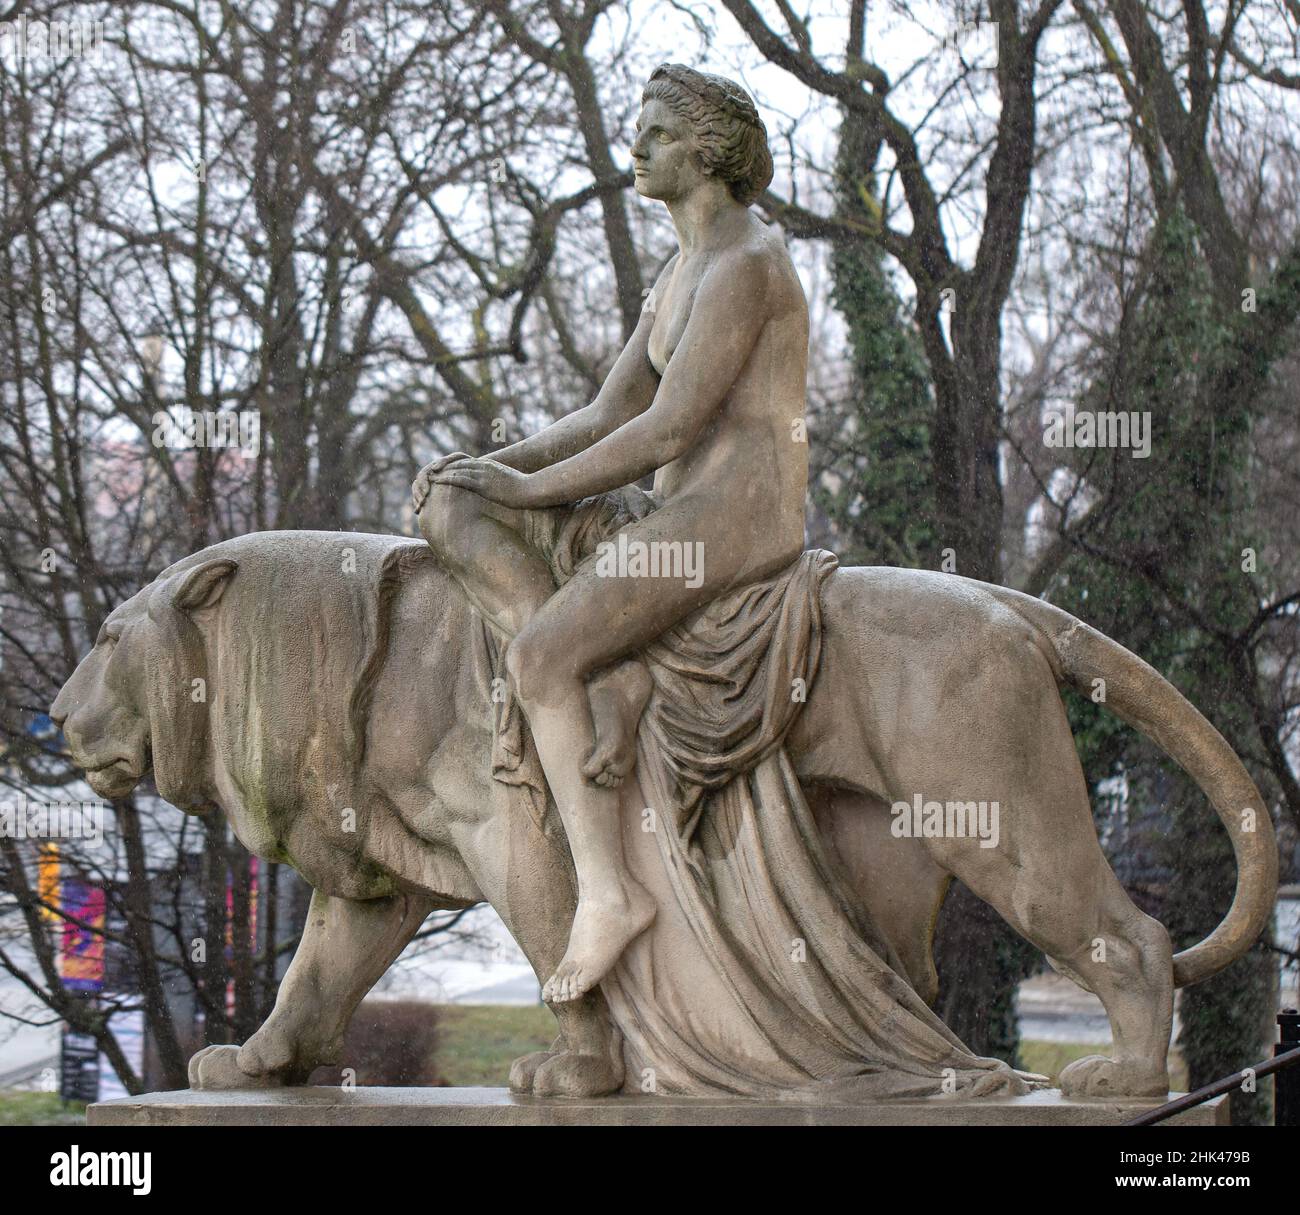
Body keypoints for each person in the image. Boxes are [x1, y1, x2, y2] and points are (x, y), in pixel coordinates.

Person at [412, 64, 809, 1003]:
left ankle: (608, 893)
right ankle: (620, 678)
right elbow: (605, 413)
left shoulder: (749, 263)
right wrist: (496, 476)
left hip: (735, 514)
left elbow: (667, 430)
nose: (637, 146)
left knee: (544, 657)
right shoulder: (682, 269)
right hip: (682, 510)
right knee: (457, 507)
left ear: (708, 150)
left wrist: (530, 487)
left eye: (659, 132)